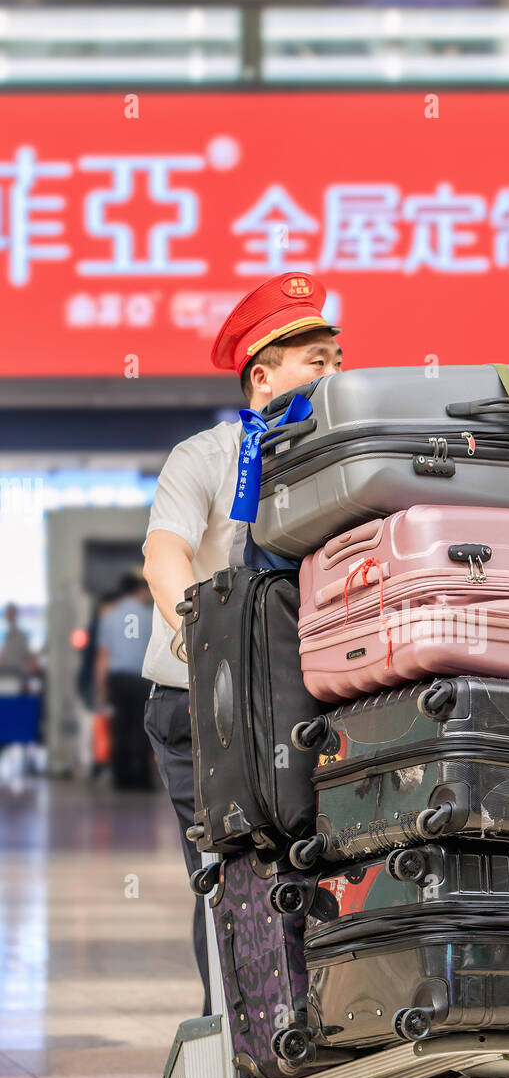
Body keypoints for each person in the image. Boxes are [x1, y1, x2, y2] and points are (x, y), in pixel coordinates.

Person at [141, 273, 342, 1014]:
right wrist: (198, 635)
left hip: (309, 692)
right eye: (315, 361)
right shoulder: (208, 458)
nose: (333, 374)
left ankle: (309, 1027)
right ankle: (239, 1051)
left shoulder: (344, 461)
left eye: (338, 360)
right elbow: (164, 552)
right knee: (230, 870)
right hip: (204, 704)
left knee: (318, 862)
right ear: (263, 375)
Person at [95, 574, 154, 791]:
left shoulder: (109, 616)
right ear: (139, 591)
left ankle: (121, 779)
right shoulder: (150, 615)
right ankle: (142, 779)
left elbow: (103, 656)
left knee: (120, 727)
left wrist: (101, 687)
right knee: (142, 728)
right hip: (142, 679)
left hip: (118, 680)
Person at [0, 602, 33, 687]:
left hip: (17, 672)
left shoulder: (21, 635)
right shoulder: (8, 634)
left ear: (14, 615)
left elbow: (28, 657)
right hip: (9, 672)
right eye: (7, 614)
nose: (7, 616)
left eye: (9, 614)